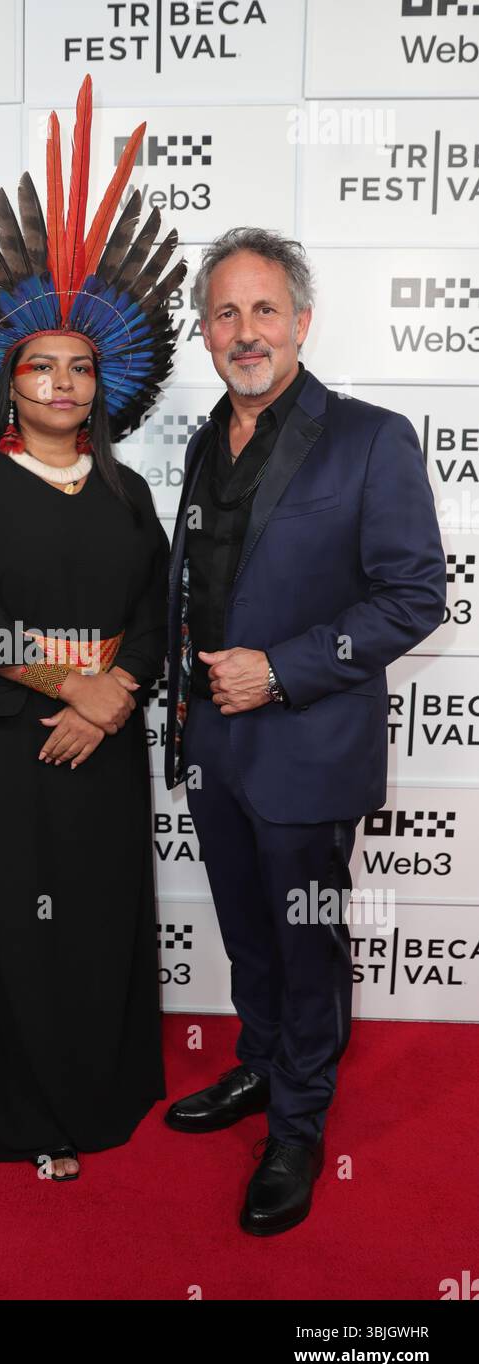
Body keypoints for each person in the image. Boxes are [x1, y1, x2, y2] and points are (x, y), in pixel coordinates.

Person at [0, 76, 186, 1179]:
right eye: (43, 367)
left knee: (92, 928)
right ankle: (20, 1113)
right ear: (7, 381)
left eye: (79, 368)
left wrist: (116, 694)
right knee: (15, 933)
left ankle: (94, 1097)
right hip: (6, 755)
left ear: (100, 382)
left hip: (102, 757)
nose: (63, 382)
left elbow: (152, 614)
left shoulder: (126, 494)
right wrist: (74, 687)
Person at [162, 227, 447, 1234]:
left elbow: (414, 596)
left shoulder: (369, 438)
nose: (247, 332)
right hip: (213, 746)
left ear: (301, 320)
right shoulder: (205, 440)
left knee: (306, 941)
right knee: (247, 935)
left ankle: (296, 1123)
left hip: (309, 745)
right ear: (205, 332)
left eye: (264, 310)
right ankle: (257, 1066)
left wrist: (279, 672)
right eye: (226, 313)